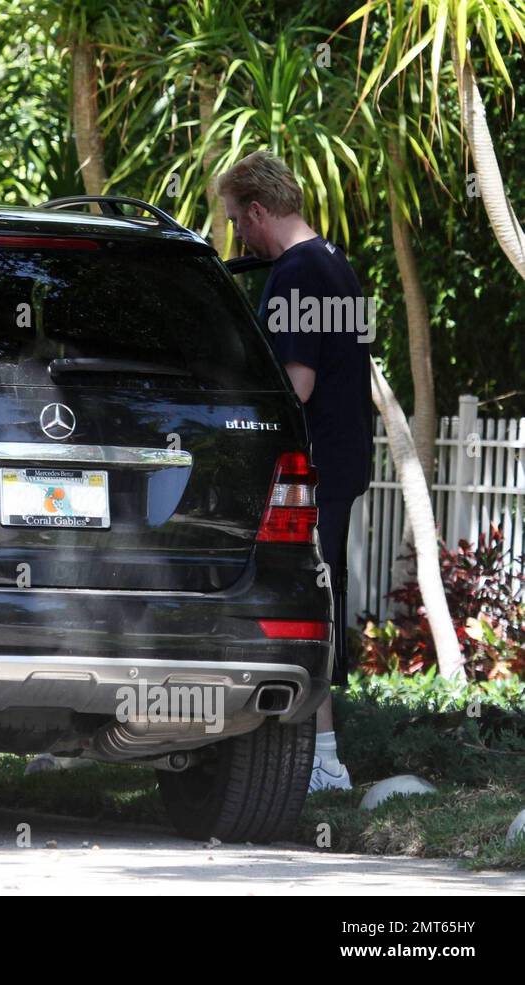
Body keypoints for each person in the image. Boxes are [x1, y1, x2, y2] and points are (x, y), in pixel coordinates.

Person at [219, 151, 373, 792]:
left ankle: (323, 759)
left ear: (259, 210)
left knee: (308, 605)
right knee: (322, 597)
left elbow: (297, 385)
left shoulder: (294, 273)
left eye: (236, 221)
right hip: (345, 458)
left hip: (311, 469)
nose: (236, 236)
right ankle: (323, 754)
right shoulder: (339, 263)